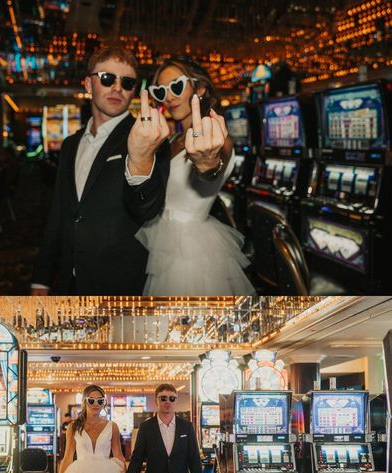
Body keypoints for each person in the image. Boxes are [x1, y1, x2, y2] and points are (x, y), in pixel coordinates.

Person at [31, 45, 170, 295]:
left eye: (127, 83)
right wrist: (41, 278)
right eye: (107, 79)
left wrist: (140, 157)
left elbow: (148, 209)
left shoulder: (147, 137)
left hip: (119, 286)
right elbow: (59, 214)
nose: (117, 88)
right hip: (68, 280)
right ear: (87, 84)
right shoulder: (70, 144)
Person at [130, 56, 255, 296]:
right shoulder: (173, 139)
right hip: (161, 245)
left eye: (176, 86)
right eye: (161, 91)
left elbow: (212, 167)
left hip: (191, 257)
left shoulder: (215, 134)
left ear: (200, 87)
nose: (168, 97)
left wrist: (208, 164)